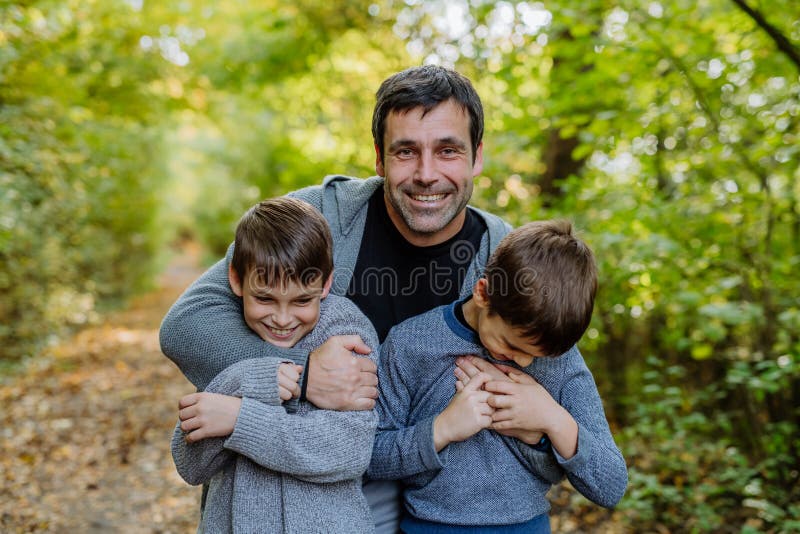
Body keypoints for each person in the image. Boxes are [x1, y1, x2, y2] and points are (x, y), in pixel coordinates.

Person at [159, 65, 578, 530]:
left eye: (447, 151)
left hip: (444, 507)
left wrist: (542, 433)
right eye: (405, 151)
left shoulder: (505, 257)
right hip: (301, 492)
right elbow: (189, 322)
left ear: (476, 157)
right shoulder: (313, 219)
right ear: (379, 158)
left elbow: (553, 389)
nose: (426, 173)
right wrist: (300, 378)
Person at [368, 220, 627, 533]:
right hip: (428, 526)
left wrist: (551, 420)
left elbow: (611, 485)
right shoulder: (411, 344)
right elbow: (371, 455)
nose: (525, 361)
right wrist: (441, 429)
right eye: (512, 345)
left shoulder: (560, 360)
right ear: (483, 293)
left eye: (538, 355)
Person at [170, 197, 380, 533]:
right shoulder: (230, 336)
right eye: (265, 298)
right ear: (236, 281)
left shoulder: (346, 333)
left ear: (325, 284)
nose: (282, 319)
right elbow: (190, 465)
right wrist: (252, 377)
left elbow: (349, 451)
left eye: (301, 300)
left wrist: (241, 419)